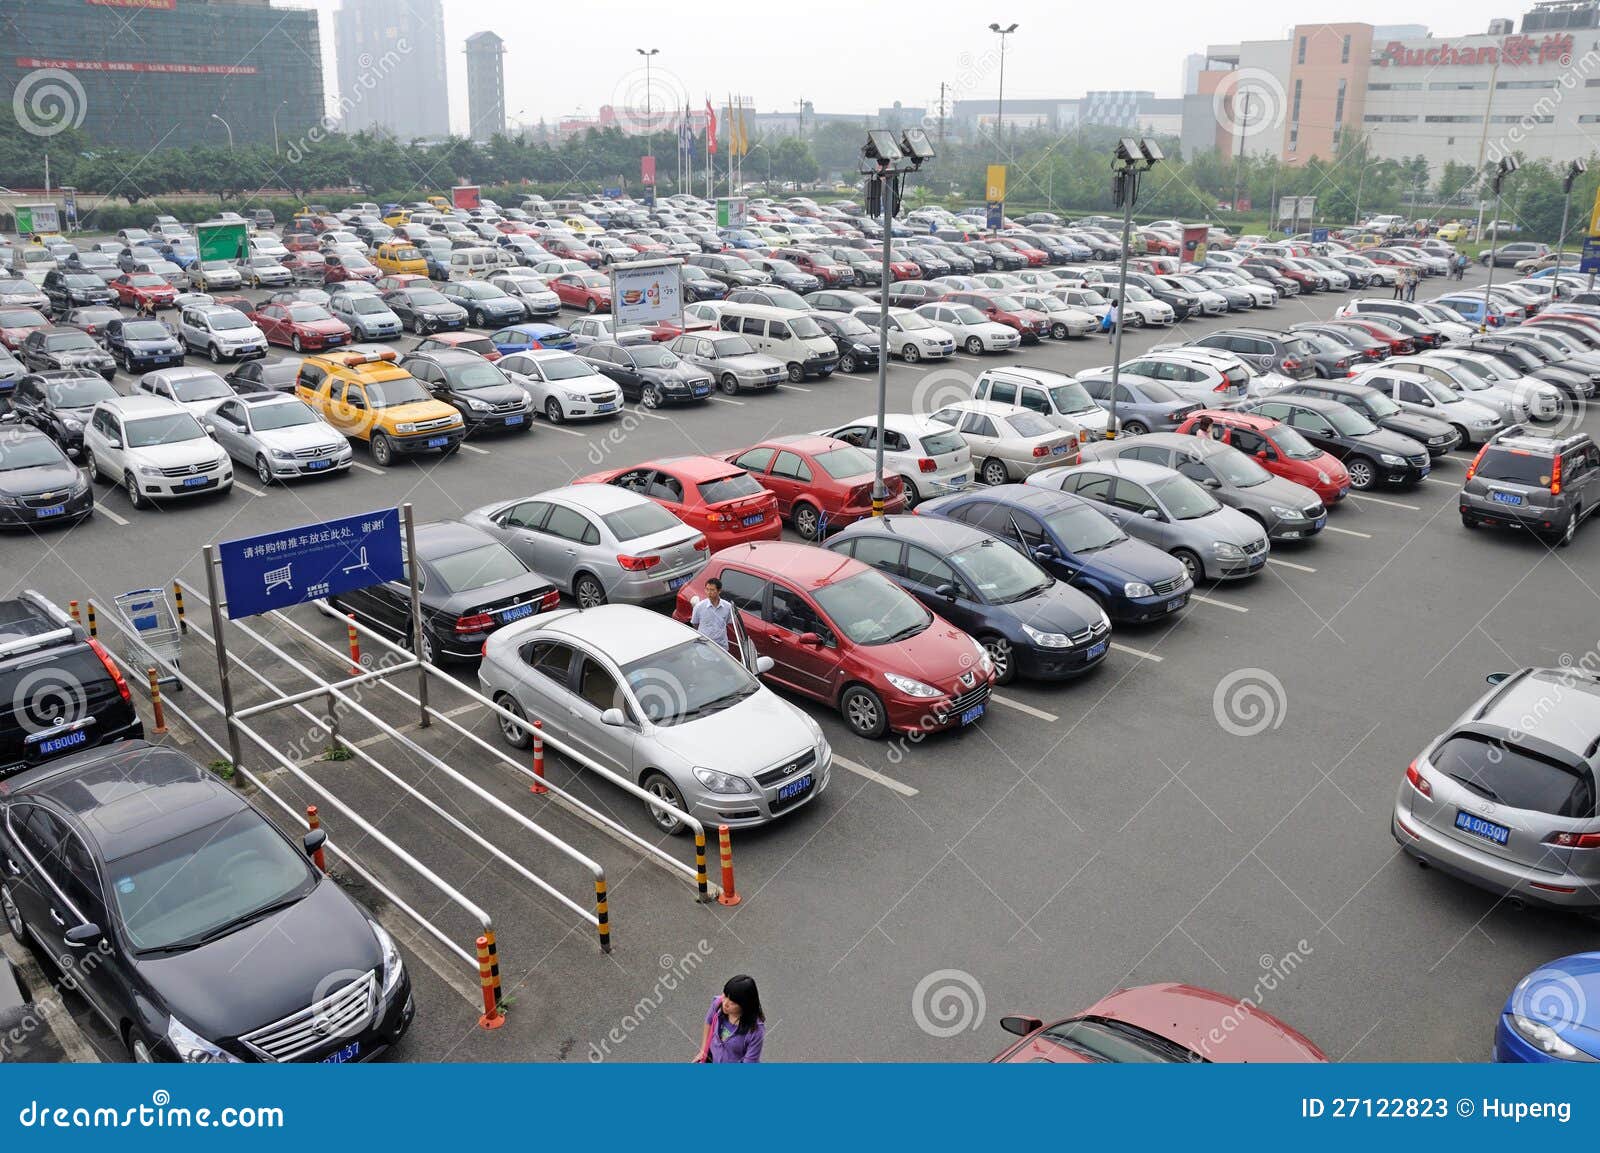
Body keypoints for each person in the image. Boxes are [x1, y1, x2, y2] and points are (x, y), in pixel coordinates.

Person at [693, 975, 765, 1063]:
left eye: (733, 1002)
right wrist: (703, 1051)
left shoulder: (755, 1031)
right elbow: (709, 1021)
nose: (725, 1003)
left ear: (745, 1004)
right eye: (725, 995)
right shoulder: (718, 1004)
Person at [689, 578, 737, 656]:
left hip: (722, 647)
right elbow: (695, 624)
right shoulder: (699, 607)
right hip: (704, 648)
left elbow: (728, 621)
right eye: (707, 589)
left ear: (719, 591)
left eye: (712, 590)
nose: (709, 592)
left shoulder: (728, 607)